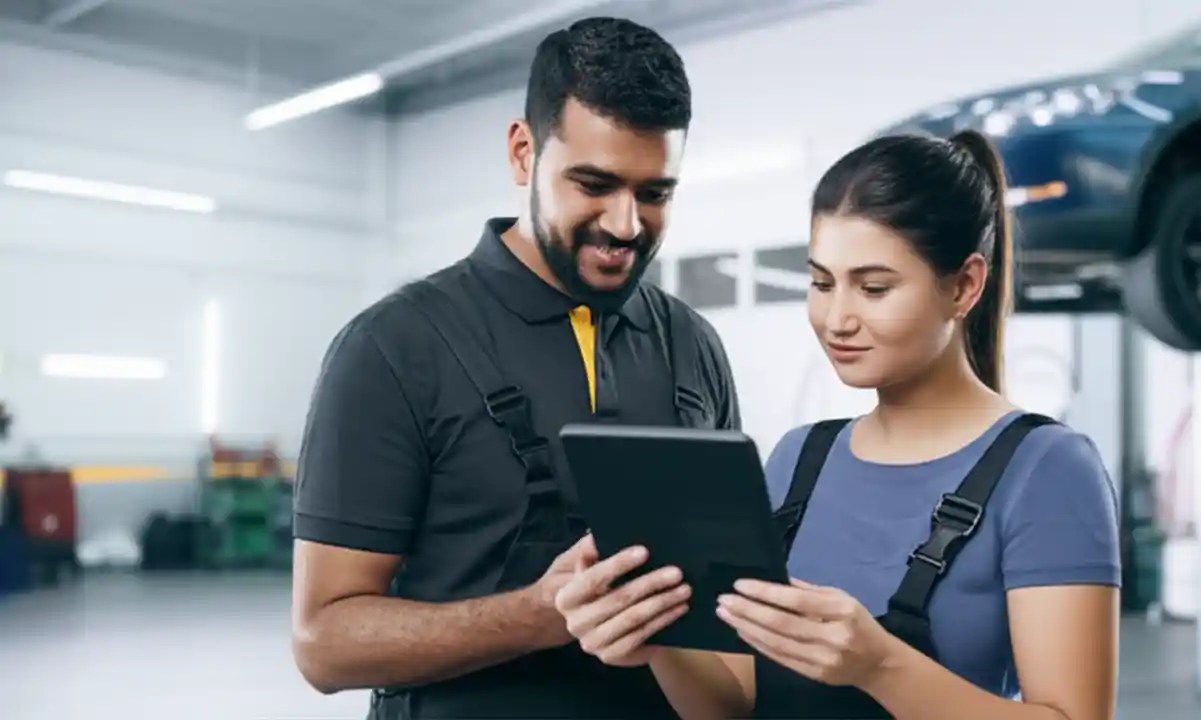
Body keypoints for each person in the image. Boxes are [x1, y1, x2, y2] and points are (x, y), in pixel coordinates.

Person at [554, 130, 1121, 719]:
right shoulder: (798, 459)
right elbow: (734, 707)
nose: (837, 319)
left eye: (874, 288)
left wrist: (881, 666)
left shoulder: (1047, 469)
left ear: (965, 285)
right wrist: (656, 638)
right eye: (822, 283)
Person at [289, 17, 740, 719]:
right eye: (593, 183)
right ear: (523, 154)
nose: (625, 225)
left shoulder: (694, 346)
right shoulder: (394, 347)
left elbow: (724, 624)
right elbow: (323, 644)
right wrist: (539, 613)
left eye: (655, 194)